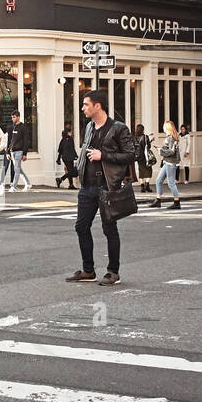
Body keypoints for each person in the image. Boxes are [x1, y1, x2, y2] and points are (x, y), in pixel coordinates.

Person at [67, 89, 134, 286]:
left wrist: (102, 155)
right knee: (81, 227)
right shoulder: (89, 127)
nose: (82, 108)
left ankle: (113, 272)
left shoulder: (118, 128)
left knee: (109, 229)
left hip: (107, 186)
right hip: (87, 186)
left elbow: (130, 155)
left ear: (98, 106)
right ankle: (88, 271)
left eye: (86, 104)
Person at [149, 120, 182, 210]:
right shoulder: (170, 137)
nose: (163, 127)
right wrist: (161, 148)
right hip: (167, 162)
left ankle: (177, 202)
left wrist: (161, 151)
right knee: (158, 181)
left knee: (171, 184)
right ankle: (158, 201)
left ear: (167, 127)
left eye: (164, 126)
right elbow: (170, 149)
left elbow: (171, 151)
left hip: (170, 163)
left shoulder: (170, 138)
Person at [5, 111, 32, 191]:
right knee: (19, 169)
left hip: (19, 151)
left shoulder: (23, 127)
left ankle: (13, 186)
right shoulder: (11, 127)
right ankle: (28, 183)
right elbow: (9, 140)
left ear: (18, 117)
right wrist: (7, 152)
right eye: (12, 117)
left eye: (14, 117)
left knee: (16, 169)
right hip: (12, 151)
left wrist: (24, 154)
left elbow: (26, 141)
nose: (13, 119)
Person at [132, 123, 152, 194]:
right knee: (149, 170)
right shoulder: (146, 137)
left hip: (138, 157)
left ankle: (142, 187)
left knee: (141, 171)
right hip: (146, 156)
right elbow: (149, 146)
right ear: (143, 130)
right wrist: (151, 140)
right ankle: (147, 185)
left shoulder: (134, 138)